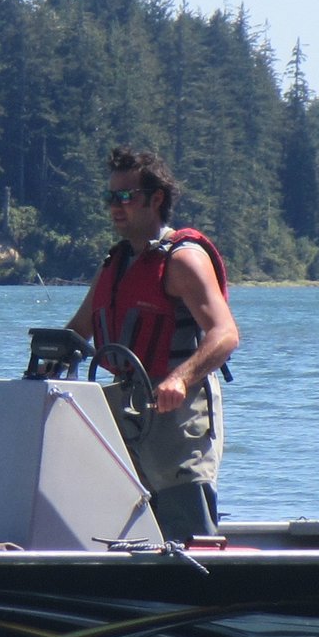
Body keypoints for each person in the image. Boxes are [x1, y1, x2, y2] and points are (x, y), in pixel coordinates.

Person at [67, 147, 239, 541]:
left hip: (178, 419)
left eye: (125, 197)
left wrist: (180, 379)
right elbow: (78, 331)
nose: (115, 207)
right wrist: (43, 372)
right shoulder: (116, 263)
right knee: (122, 529)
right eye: (110, 197)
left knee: (187, 529)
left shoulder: (183, 260)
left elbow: (225, 334)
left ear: (155, 198)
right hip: (124, 414)